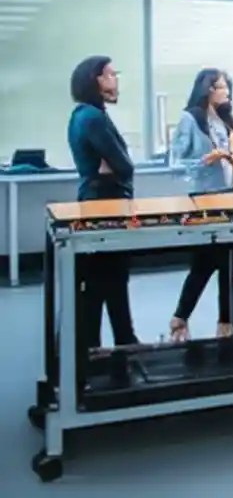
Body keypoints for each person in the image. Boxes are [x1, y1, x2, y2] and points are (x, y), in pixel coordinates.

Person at [67, 55, 140, 351]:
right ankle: (98, 348)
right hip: (105, 203)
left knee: (109, 279)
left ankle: (122, 340)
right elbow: (124, 166)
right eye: (109, 74)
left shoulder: (84, 114)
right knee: (105, 279)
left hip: (99, 199)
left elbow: (115, 164)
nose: (115, 79)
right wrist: (113, 166)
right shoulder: (93, 118)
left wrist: (110, 165)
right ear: (94, 80)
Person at [168, 68, 233, 341]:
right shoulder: (190, 119)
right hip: (204, 198)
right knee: (205, 261)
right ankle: (181, 317)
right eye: (222, 87)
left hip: (230, 195)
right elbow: (175, 164)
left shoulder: (225, 120)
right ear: (208, 89)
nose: (227, 92)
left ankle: (225, 322)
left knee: (227, 260)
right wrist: (204, 161)